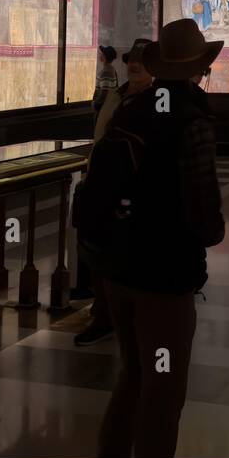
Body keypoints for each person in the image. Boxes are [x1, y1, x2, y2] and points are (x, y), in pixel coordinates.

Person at [94, 19, 226, 458]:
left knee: (133, 376)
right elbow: (203, 205)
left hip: (118, 268)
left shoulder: (131, 108)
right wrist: (212, 233)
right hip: (164, 279)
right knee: (163, 390)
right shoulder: (193, 118)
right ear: (197, 69)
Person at [76, 39, 154, 343]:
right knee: (96, 248)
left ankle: (118, 314)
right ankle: (103, 310)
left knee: (122, 253)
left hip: (131, 189)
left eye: (142, 61)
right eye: (131, 59)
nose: (134, 65)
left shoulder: (154, 101)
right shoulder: (115, 95)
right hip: (100, 185)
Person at [91, 45, 118, 114]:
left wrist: (94, 104)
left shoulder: (106, 73)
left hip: (102, 109)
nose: (99, 55)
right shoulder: (111, 69)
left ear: (104, 56)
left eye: (101, 54)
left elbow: (104, 94)